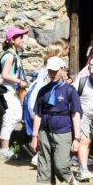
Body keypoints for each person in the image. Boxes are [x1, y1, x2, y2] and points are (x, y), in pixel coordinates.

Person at [31, 56, 82, 185]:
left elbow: (76, 114)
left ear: (62, 70)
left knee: (61, 166)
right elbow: (38, 114)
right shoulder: (43, 91)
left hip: (63, 131)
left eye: (55, 71)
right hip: (45, 132)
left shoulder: (69, 91)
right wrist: (35, 137)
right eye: (50, 71)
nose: (52, 74)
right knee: (45, 167)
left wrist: (76, 138)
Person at [23, 39, 71, 167]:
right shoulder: (52, 71)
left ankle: (39, 153)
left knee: (43, 130)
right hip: (42, 102)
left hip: (34, 101)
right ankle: (40, 156)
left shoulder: (44, 68)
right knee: (48, 130)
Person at [0, 26, 29, 160]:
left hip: (10, 91)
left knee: (15, 116)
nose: (23, 40)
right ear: (12, 40)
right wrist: (19, 81)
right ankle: (3, 149)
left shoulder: (13, 54)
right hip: (6, 91)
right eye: (20, 37)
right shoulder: (10, 55)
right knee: (11, 117)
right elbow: (4, 74)